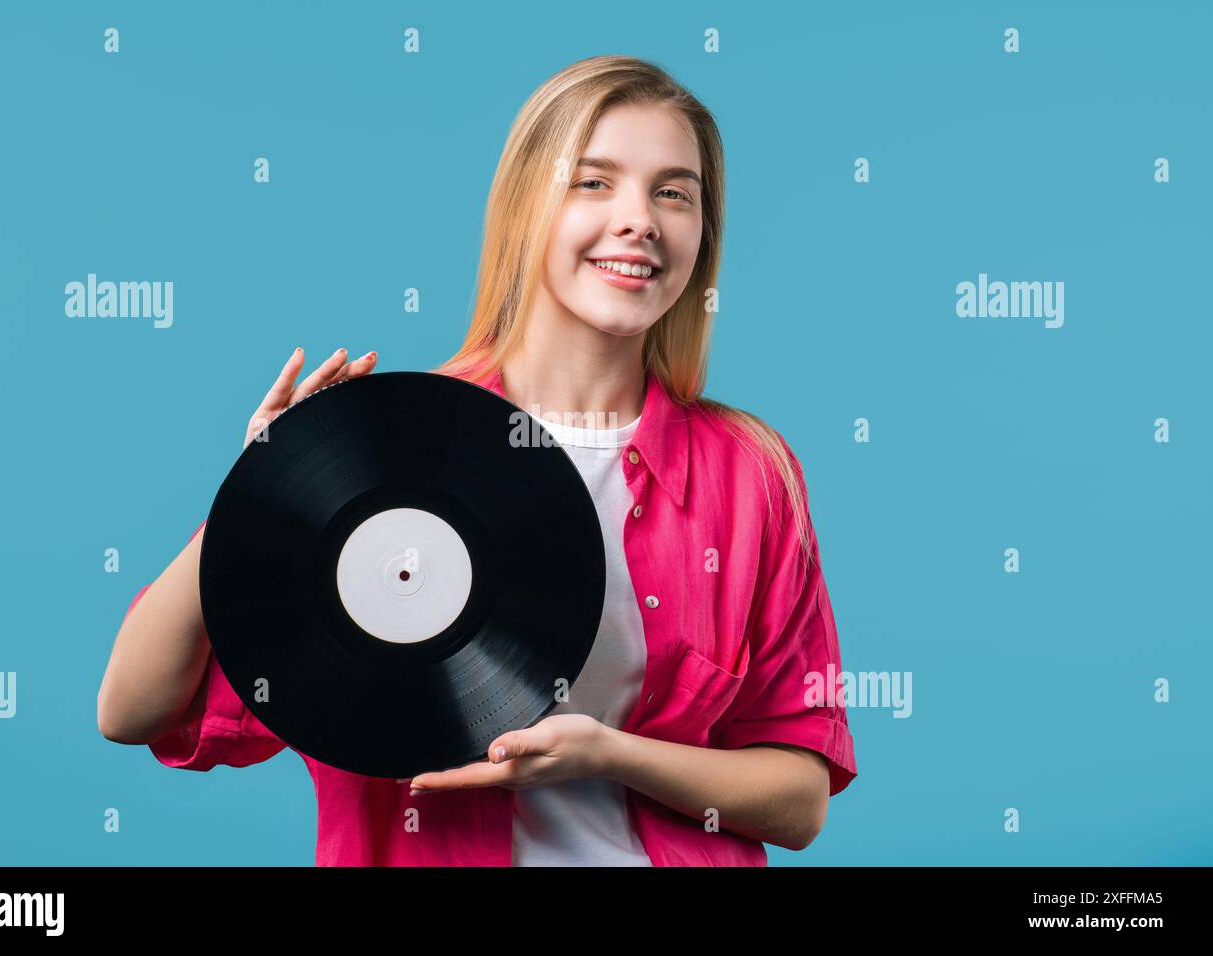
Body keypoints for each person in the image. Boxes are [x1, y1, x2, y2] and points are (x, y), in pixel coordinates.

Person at [98, 54, 857, 866]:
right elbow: (132, 710)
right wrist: (266, 492)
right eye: (593, 182)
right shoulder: (389, 440)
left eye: (674, 192)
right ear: (528, 203)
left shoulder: (752, 475)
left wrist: (609, 753)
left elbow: (798, 799)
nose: (640, 219)